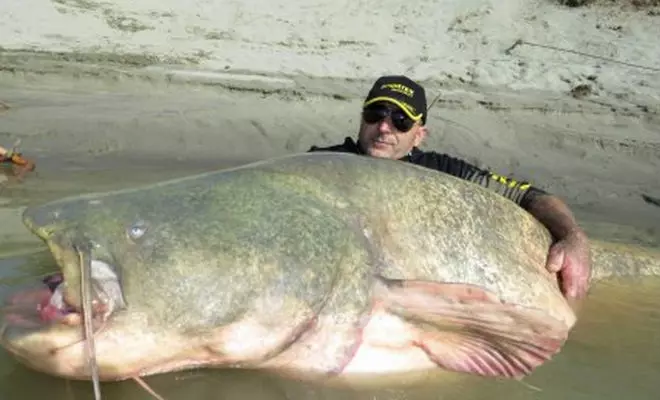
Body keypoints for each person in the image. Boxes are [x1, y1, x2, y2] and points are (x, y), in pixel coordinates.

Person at [308, 75, 591, 301]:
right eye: (375, 114)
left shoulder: (442, 171)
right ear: (362, 119)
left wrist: (573, 237)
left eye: (401, 120)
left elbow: (528, 195)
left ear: (419, 135)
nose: (384, 127)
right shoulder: (319, 163)